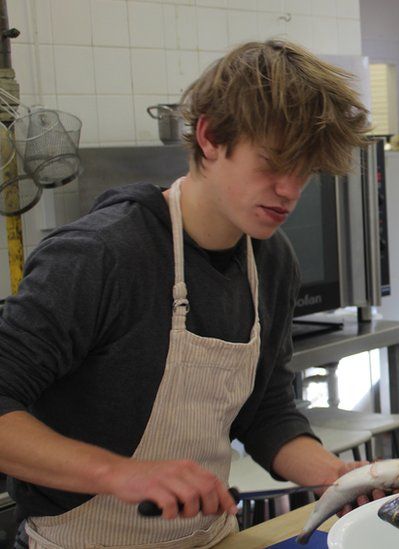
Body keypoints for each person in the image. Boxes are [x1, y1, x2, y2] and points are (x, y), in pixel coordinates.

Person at [0, 40, 376, 547]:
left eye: (304, 170)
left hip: (211, 538)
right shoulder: (101, 255)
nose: (290, 190)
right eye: (272, 164)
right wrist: (118, 473)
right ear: (210, 137)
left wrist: (335, 476)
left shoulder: (270, 259)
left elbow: (264, 408)